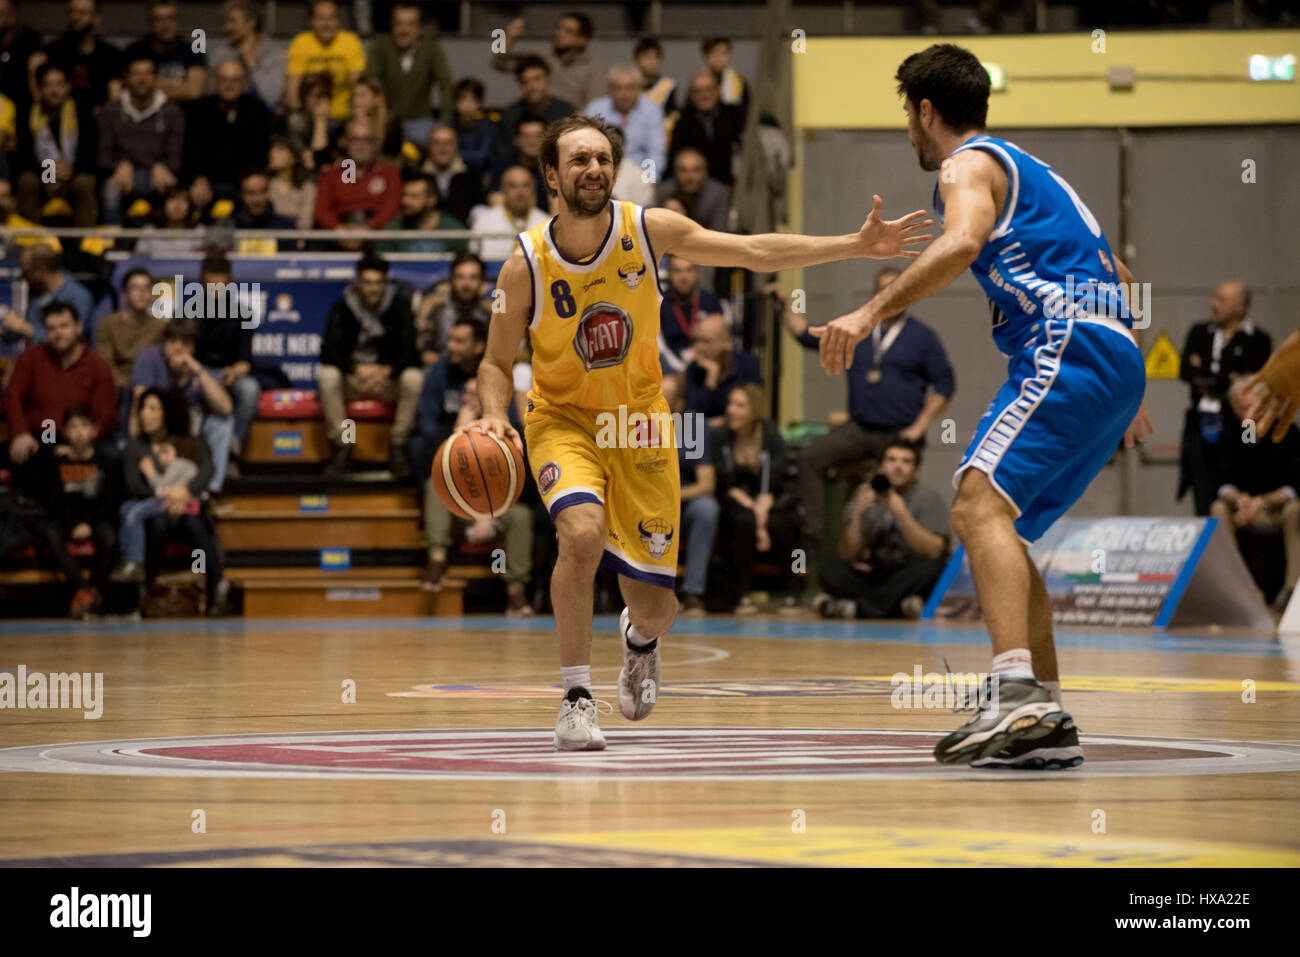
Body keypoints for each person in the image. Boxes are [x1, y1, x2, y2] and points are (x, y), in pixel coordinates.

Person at [466, 113, 929, 750]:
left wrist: (855, 244)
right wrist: (494, 414)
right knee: (579, 535)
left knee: (656, 604)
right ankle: (576, 697)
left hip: (642, 427)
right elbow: (494, 362)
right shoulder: (524, 264)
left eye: (602, 158)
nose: (594, 169)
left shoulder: (649, 230)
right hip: (562, 420)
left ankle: (641, 639)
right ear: (551, 174)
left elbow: (752, 251)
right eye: (578, 160)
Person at [814, 44, 1151, 769]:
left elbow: (963, 241)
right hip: (1105, 350)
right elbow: (1115, 269)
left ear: (926, 111)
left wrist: (869, 311)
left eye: (908, 112)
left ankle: (1014, 691)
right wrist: (1128, 376)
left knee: (973, 506)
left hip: (1064, 344)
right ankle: (1045, 718)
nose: (909, 126)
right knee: (1004, 527)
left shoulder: (963, 166)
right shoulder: (1038, 172)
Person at [779, 267, 955, 574]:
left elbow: (945, 385)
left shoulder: (923, 338)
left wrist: (920, 426)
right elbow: (807, 336)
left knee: (879, 492)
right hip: (859, 428)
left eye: (897, 290)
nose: (890, 296)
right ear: (875, 294)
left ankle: (894, 561)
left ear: (908, 294)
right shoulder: (855, 330)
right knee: (810, 456)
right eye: (883, 290)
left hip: (900, 436)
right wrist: (785, 304)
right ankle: (811, 537)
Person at [411, 318, 532, 614]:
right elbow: (438, 464)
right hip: (460, 503)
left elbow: (520, 468)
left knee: (522, 518)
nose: (471, 398)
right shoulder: (443, 383)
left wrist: (490, 512)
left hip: (499, 503)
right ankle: (437, 559)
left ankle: (516, 593)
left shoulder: (504, 422)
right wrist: (463, 420)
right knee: (432, 487)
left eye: (476, 395)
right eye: (466, 395)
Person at [812, 439, 950, 620]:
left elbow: (934, 551)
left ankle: (858, 610)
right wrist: (858, 513)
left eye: (906, 461)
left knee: (937, 567)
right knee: (829, 569)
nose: (898, 466)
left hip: (910, 572)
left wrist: (901, 514)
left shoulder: (929, 498)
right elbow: (849, 554)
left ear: (915, 470)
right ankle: (899, 607)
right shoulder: (865, 494)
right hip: (876, 572)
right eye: (891, 460)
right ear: (881, 466)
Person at [120, 386, 229, 615]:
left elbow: (207, 470)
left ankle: (215, 586)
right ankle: (144, 588)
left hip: (187, 508)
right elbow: (135, 487)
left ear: (166, 413)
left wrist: (186, 491)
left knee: (195, 523)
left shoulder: (188, 441)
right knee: (158, 525)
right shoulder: (136, 447)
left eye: (152, 409)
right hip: (155, 511)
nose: (144, 414)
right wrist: (169, 493)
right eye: (142, 409)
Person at [318, 254, 423, 481]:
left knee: (414, 378)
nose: (373, 289)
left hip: (387, 381)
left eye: (378, 283)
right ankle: (343, 447)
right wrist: (356, 369)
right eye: (367, 283)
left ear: (386, 284)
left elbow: (411, 353)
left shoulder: (400, 307)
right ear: (357, 283)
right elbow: (328, 353)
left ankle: (397, 446)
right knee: (327, 376)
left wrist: (387, 371)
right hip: (354, 379)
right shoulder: (342, 307)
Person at [1178, 280, 1271, 515]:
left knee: (1249, 470)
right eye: (1214, 298)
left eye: (1221, 300)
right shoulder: (1199, 333)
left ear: (1241, 307)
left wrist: (1208, 374)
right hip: (1202, 425)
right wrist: (1226, 378)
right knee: (1204, 489)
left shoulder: (1259, 340)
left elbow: (1253, 382)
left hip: (1242, 424)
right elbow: (1186, 372)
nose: (1213, 305)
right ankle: (1209, 544)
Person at [710, 383, 801, 614]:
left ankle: (794, 590)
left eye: (740, 405)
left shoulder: (770, 436)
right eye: (731, 404)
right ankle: (744, 593)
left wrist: (762, 512)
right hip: (736, 500)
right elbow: (725, 483)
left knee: (784, 523)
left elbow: (774, 482)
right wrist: (754, 512)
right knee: (744, 522)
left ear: (754, 410)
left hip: (768, 498)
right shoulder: (720, 436)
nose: (732, 410)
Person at [4, 301, 115, 481]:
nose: (58, 333)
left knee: (108, 458)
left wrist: (80, 446)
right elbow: (13, 395)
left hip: (84, 439)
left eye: (64, 326)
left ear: (78, 328)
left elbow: (106, 414)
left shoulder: (97, 365)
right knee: (29, 455)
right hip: (43, 437)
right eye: (51, 328)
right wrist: (20, 432)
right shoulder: (32, 357)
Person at [128, 318, 234, 494]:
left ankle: (210, 492)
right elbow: (140, 407)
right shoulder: (149, 358)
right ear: (164, 343)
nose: (178, 348)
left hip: (183, 437)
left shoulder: (194, 366)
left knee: (222, 422)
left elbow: (226, 408)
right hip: (154, 435)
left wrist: (198, 371)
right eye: (172, 341)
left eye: (184, 343)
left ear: (193, 347)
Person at [189, 254, 260, 476]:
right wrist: (201, 375)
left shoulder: (242, 313)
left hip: (229, 374)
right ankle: (195, 452)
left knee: (250, 389)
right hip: (198, 374)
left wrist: (233, 371)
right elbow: (182, 356)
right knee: (185, 390)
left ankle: (232, 445)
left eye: (221, 287)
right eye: (211, 287)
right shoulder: (188, 312)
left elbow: (245, 362)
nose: (216, 293)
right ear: (202, 283)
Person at [49, 403, 121, 616]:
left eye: (84, 426)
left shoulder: (106, 462)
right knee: (51, 535)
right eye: (73, 426)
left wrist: (88, 524)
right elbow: (54, 501)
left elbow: (110, 500)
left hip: (95, 519)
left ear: (94, 430)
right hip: (66, 519)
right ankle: (84, 589)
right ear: (65, 432)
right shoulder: (57, 463)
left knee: (111, 538)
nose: (79, 432)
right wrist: (73, 524)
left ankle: (90, 590)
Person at [96, 55, 185, 225]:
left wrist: (159, 165)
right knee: (110, 191)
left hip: (158, 175)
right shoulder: (111, 111)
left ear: (156, 78)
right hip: (124, 176)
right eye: (136, 74)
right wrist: (122, 163)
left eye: (147, 74)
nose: (142, 79)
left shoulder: (172, 112)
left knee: (176, 193)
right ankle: (112, 248)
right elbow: (103, 158)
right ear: (127, 78)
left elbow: (176, 161)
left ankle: (168, 247)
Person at [16, 61, 99, 226]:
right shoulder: (27, 115)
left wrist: (71, 169)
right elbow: (21, 158)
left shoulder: (82, 113)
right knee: (26, 181)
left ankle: (85, 245)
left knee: (85, 183)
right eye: (48, 85)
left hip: (72, 177)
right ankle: (31, 243)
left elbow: (91, 154)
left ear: (68, 86)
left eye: (60, 84)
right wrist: (49, 169)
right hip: (42, 176)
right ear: (39, 89)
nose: (54, 91)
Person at [182, 58, 271, 209]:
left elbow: (260, 155)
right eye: (224, 80)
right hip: (207, 183)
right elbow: (190, 150)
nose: (229, 85)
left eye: (235, 80)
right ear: (215, 81)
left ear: (244, 83)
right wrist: (198, 177)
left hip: (244, 184)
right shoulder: (199, 110)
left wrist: (248, 184)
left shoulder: (257, 111)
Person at [661, 373, 715, 615]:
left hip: (682, 501)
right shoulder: (635, 423)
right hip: (644, 501)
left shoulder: (692, 427)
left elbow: (706, 484)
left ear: (679, 405)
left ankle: (693, 592)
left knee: (707, 508)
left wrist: (673, 496)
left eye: (662, 398)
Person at [111, 434, 198, 582]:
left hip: (178, 507)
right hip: (166, 500)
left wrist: (150, 472)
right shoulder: (175, 466)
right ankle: (126, 558)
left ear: (176, 451)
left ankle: (135, 562)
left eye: (166, 452)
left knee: (133, 513)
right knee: (126, 507)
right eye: (160, 454)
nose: (161, 458)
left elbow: (162, 485)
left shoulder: (179, 464)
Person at [366, 1, 453, 145]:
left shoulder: (431, 48)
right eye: (399, 24)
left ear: (418, 28)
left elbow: (445, 84)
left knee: (439, 143)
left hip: (421, 120)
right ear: (392, 26)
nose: (403, 29)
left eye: (410, 24)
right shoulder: (380, 46)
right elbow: (371, 82)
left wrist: (444, 121)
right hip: (387, 119)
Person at [493, 13, 602, 117]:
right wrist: (508, 37)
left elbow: (593, 107)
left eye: (568, 31)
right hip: (535, 120)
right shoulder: (541, 56)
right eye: (559, 28)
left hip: (570, 124)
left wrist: (571, 125)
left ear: (582, 39)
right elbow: (499, 62)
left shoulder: (593, 69)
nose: (559, 33)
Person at [314, 119, 401, 243]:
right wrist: (337, 229)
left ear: (374, 143)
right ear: (345, 142)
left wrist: (370, 228)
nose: (361, 145)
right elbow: (321, 210)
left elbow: (391, 207)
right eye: (355, 139)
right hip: (337, 236)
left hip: (377, 236)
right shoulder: (331, 175)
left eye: (367, 140)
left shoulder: (389, 173)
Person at [96, 267, 166, 415]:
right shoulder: (108, 324)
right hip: (119, 386)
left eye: (146, 288)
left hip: (151, 386)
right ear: (124, 295)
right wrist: (130, 386)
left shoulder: (161, 326)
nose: (141, 293)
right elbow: (105, 363)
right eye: (135, 288)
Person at [31, 0, 124, 111]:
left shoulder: (110, 55)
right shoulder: (54, 51)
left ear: (96, 18)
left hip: (98, 120)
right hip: (60, 118)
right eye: (72, 12)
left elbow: (114, 99)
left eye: (82, 13)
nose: (75, 18)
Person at [285, 0, 365, 122]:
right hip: (310, 116)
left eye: (331, 18)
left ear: (338, 21)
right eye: (320, 18)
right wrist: (301, 114)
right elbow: (293, 92)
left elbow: (357, 86)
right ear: (311, 21)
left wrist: (354, 116)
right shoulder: (301, 42)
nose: (326, 24)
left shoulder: (350, 41)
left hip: (344, 116)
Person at [583, 65, 665, 179]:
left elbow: (655, 152)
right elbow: (587, 147)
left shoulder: (651, 110)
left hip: (639, 176)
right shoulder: (595, 109)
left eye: (629, 88)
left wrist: (649, 180)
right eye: (618, 88)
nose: (624, 94)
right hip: (601, 174)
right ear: (610, 90)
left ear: (638, 89)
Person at [3, 245, 95, 346]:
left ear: (40, 271)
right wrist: (11, 326)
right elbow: (23, 329)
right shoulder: (36, 292)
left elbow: (72, 341)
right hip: (33, 358)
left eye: (26, 273)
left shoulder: (80, 296)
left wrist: (25, 328)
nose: (23, 278)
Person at [668, 72, 745, 187]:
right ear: (691, 95)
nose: (704, 95)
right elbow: (675, 159)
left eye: (709, 89)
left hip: (733, 181)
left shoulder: (736, 115)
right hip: (696, 186)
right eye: (698, 91)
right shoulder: (683, 122)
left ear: (718, 90)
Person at [684, 314, 761, 427]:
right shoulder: (694, 369)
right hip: (706, 438)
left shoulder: (748, 364)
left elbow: (755, 410)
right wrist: (711, 381)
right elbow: (692, 421)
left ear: (726, 341)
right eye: (697, 340)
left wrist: (718, 423)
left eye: (706, 341)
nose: (699, 347)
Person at [415, 250, 490, 365]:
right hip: (441, 366)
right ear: (451, 280)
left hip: (479, 368)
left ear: (482, 281)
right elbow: (421, 348)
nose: (466, 284)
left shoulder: (489, 310)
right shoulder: (434, 305)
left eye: (473, 278)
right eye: (460, 277)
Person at [208, 0, 286, 109]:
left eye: (232, 21)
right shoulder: (221, 53)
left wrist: (251, 62)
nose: (226, 27)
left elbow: (271, 97)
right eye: (226, 21)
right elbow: (210, 94)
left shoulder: (275, 54)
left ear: (251, 23)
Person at [123, 0, 207, 102]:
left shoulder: (193, 50)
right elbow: (127, 89)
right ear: (150, 23)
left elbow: (194, 91)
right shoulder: (135, 50)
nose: (165, 25)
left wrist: (152, 86)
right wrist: (177, 84)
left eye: (170, 18)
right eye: (159, 19)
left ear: (178, 21)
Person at [658, 255, 726, 373]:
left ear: (697, 271)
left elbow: (726, 342)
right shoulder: (659, 305)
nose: (684, 277)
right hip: (675, 371)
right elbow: (661, 350)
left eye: (689, 270)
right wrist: (684, 368)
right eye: (677, 271)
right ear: (669, 272)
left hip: (712, 365)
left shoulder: (713, 302)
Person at [495, 55, 574, 153]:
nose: (532, 86)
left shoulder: (565, 111)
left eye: (537, 79)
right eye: (525, 81)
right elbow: (503, 151)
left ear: (548, 78)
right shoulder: (510, 114)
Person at [378, 169, 466, 254]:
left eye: (414, 197)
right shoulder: (392, 230)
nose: (405, 201)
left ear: (432, 200)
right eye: (405, 195)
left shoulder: (453, 231)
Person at [470, 165, 547, 262]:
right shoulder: (484, 221)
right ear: (502, 189)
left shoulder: (545, 223)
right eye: (513, 186)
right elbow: (473, 258)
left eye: (525, 185)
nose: (520, 192)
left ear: (533, 189)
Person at [654, 147, 730, 233]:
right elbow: (654, 229)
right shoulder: (663, 191)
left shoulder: (718, 193)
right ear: (675, 172)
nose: (689, 177)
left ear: (705, 172)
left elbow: (720, 232)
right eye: (683, 170)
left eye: (696, 170)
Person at [421, 122, 482, 224]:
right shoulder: (417, 176)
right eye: (437, 143)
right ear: (429, 146)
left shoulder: (472, 176)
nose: (443, 149)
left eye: (448, 143)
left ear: (456, 146)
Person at [450, 78, 499, 176]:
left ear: (480, 102)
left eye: (473, 99)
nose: (468, 104)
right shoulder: (449, 127)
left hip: (481, 174)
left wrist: (455, 155)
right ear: (455, 101)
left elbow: (483, 156)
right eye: (463, 99)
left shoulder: (488, 126)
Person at [267, 134, 317, 229]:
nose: (272, 154)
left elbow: (305, 224)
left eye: (280, 149)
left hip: (294, 240)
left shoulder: (307, 188)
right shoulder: (265, 185)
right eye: (272, 149)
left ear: (294, 157)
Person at [633, 37, 678, 122]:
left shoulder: (668, 85)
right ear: (636, 59)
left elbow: (673, 114)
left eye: (655, 58)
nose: (651, 62)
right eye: (647, 58)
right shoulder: (629, 85)